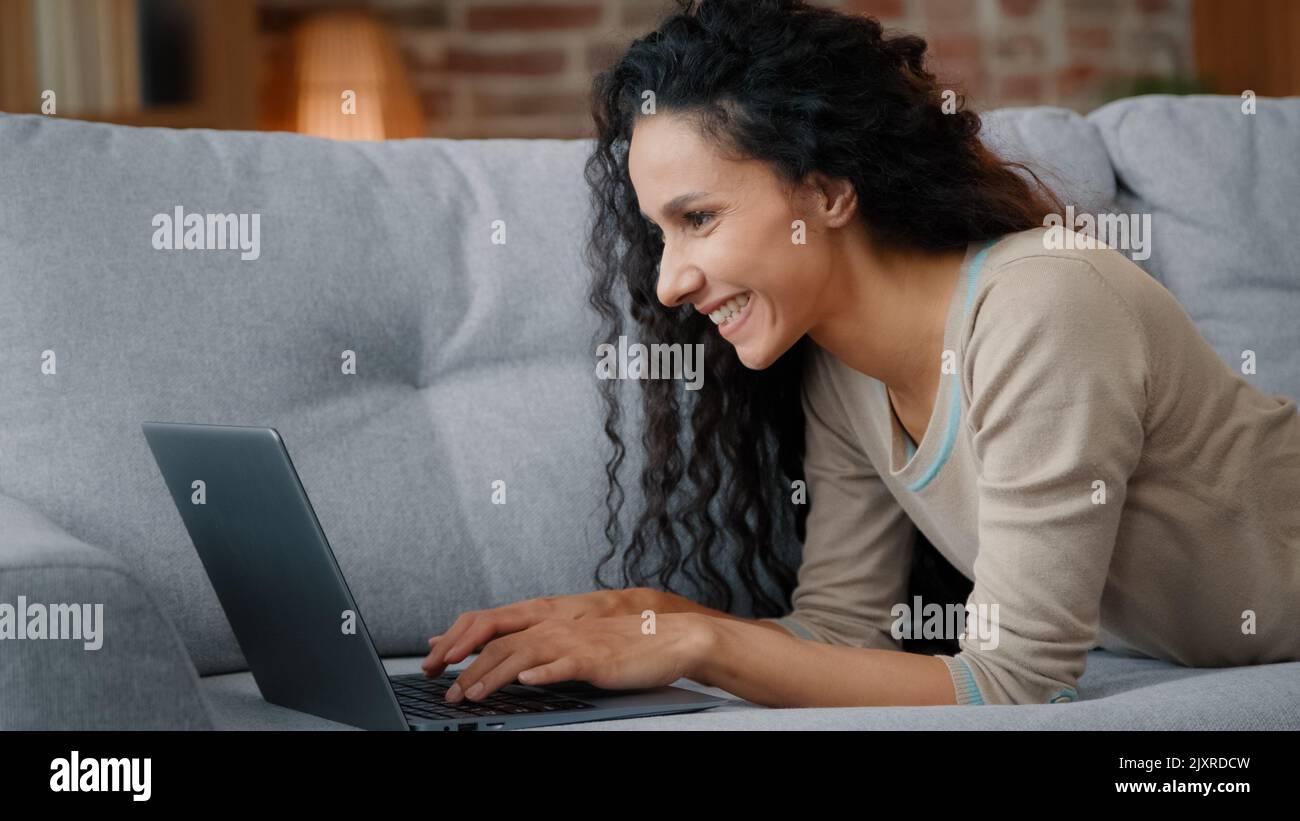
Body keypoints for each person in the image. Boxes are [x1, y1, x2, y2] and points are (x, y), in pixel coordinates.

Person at [421, 0, 1300, 708]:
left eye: (699, 219)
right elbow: (841, 632)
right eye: (660, 234)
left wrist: (706, 642)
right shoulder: (843, 367)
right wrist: (649, 618)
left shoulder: (1046, 306)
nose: (669, 283)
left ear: (831, 190)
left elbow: (1016, 682)